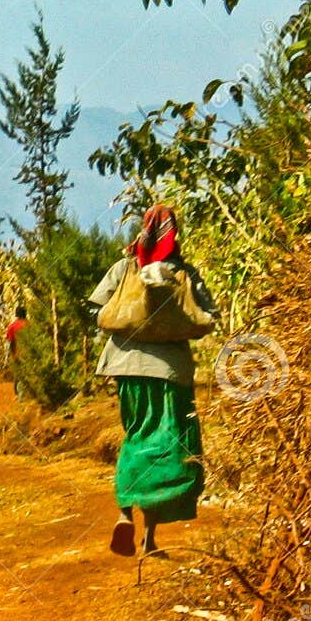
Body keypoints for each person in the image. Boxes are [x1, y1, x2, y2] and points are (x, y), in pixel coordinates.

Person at [88, 204, 218, 558]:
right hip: (170, 372)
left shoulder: (123, 268)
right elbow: (208, 317)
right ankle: (149, 539)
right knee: (167, 444)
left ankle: (123, 513)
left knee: (136, 435)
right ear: (174, 234)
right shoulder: (184, 273)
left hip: (126, 368)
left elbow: (97, 310)